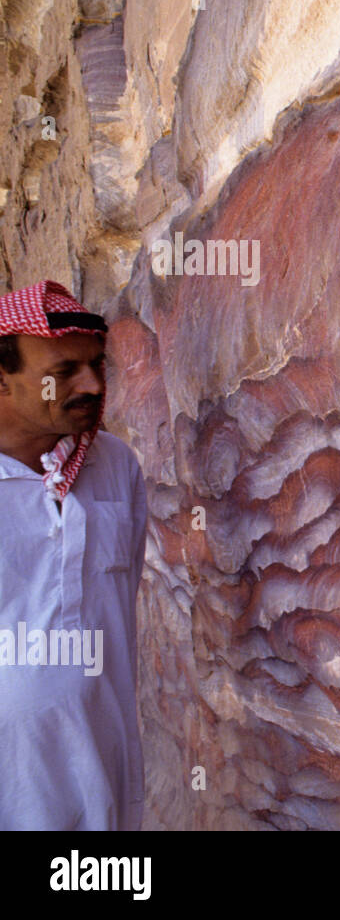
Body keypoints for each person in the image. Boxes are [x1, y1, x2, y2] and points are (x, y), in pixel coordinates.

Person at [0, 279, 146, 829]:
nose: (91, 384)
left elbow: (119, 600)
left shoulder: (117, 468)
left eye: (97, 366)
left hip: (102, 764)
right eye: (63, 372)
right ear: (3, 380)